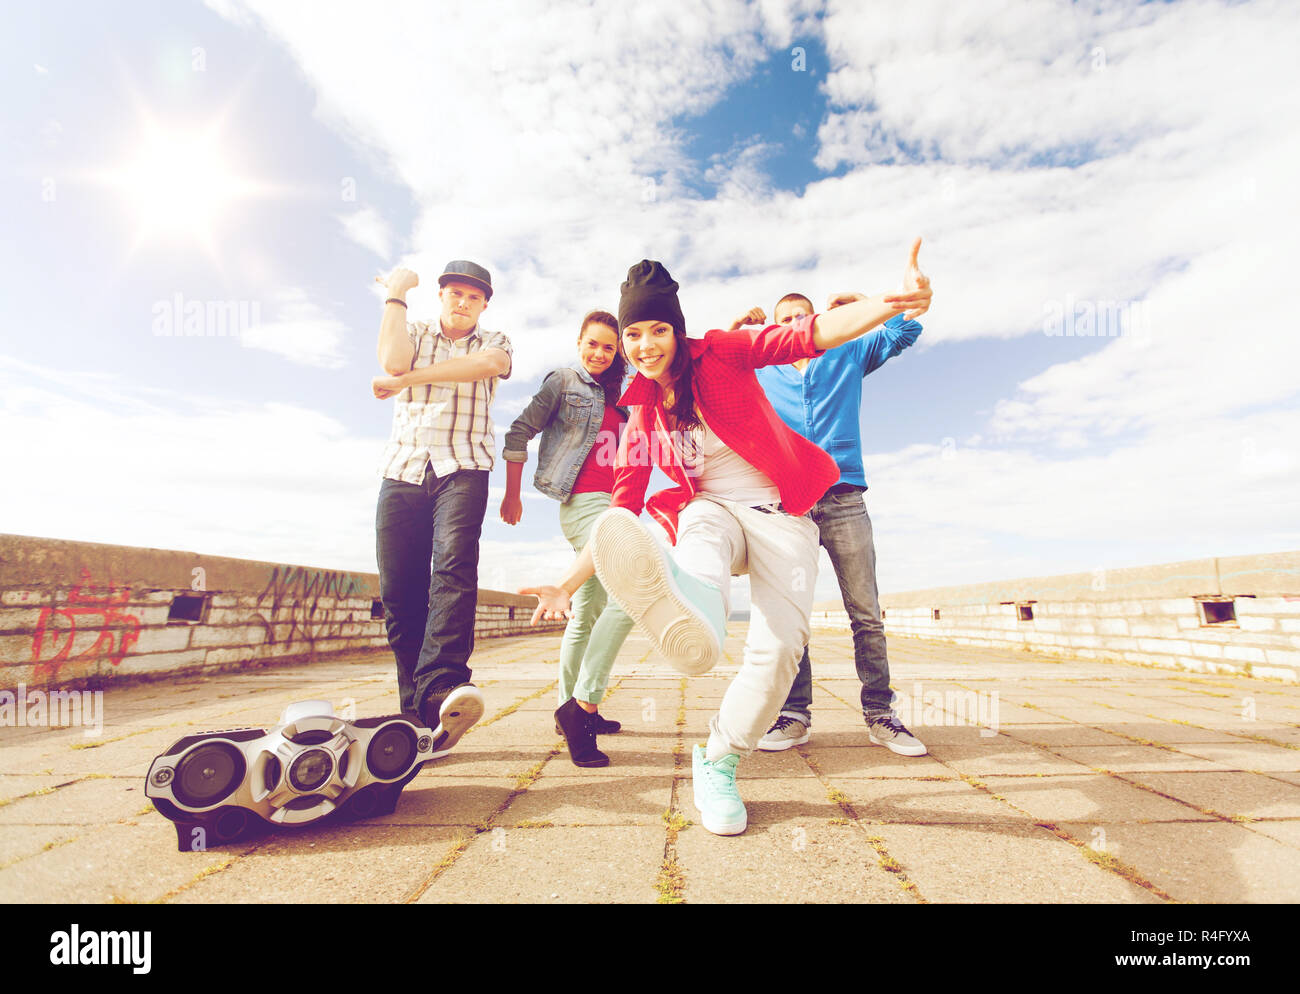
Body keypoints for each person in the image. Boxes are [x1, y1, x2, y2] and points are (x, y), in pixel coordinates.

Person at [523, 243, 932, 835]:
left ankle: (718, 759)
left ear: (677, 328)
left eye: (656, 330)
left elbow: (808, 336)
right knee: (700, 539)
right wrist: (566, 583)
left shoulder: (722, 350)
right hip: (710, 508)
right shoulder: (641, 407)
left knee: (783, 649)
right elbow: (622, 509)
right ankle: (696, 614)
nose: (643, 347)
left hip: (782, 511)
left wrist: (889, 303)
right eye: (633, 333)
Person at [740, 262, 928, 756]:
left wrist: (868, 302)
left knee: (865, 612)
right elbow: (714, 377)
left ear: (817, 320)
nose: (797, 325)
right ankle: (794, 715)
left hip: (845, 499)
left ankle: (882, 716)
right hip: (788, 504)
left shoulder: (847, 350)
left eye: (805, 316)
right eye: (786, 319)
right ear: (776, 330)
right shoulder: (763, 369)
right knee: (791, 613)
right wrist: (741, 332)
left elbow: (905, 330)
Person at [370, 259, 512, 756]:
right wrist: (396, 290)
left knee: (452, 568)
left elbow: (484, 368)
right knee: (399, 595)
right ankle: (419, 717)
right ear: (441, 296)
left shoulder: (496, 342)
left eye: (473, 297)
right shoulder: (413, 331)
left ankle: (443, 685)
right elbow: (391, 360)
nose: (463, 302)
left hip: (464, 468)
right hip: (403, 470)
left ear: (484, 305)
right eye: (454, 293)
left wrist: (410, 380)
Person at [499, 310, 636, 768]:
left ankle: (568, 709)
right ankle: (582, 706)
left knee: (590, 610)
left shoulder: (627, 389)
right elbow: (519, 429)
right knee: (630, 597)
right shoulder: (562, 381)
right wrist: (513, 494)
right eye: (592, 344)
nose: (599, 354)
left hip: (615, 504)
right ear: (579, 342)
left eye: (608, 347)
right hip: (581, 503)